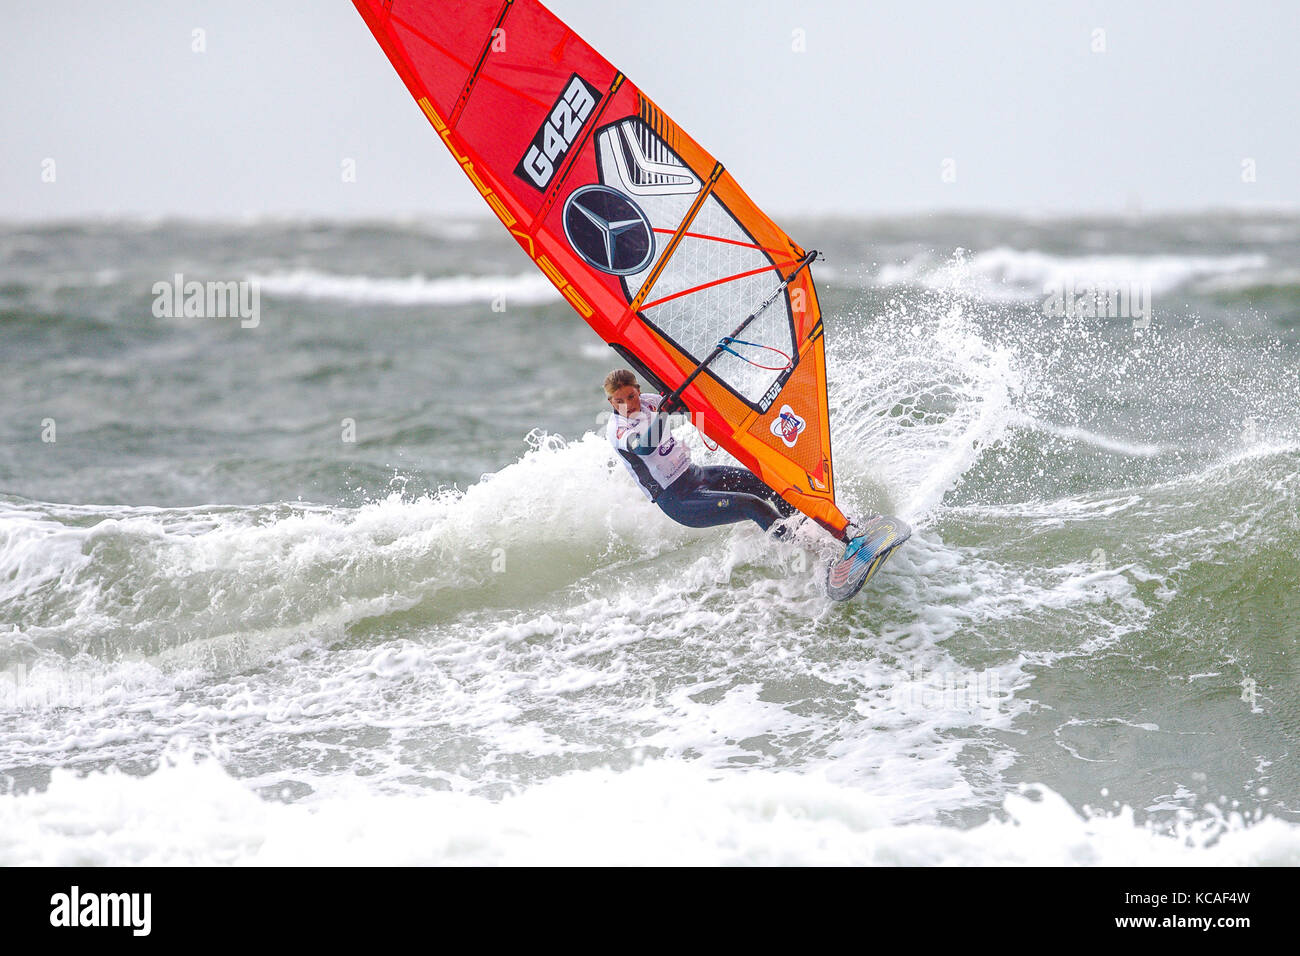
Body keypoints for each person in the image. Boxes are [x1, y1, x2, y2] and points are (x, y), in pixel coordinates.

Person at [603, 368, 800, 536]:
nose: (628, 405)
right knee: (751, 505)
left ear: (638, 390)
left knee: (769, 484)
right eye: (619, 401)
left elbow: (687, 408)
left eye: (631, 396)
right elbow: (643, 448)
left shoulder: (648, 402)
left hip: (696, 475)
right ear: (611, 402)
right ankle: (801, 546)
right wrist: (664, 414)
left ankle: (803, 526)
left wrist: (680, 398)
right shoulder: (618, 429)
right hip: (679, 500)